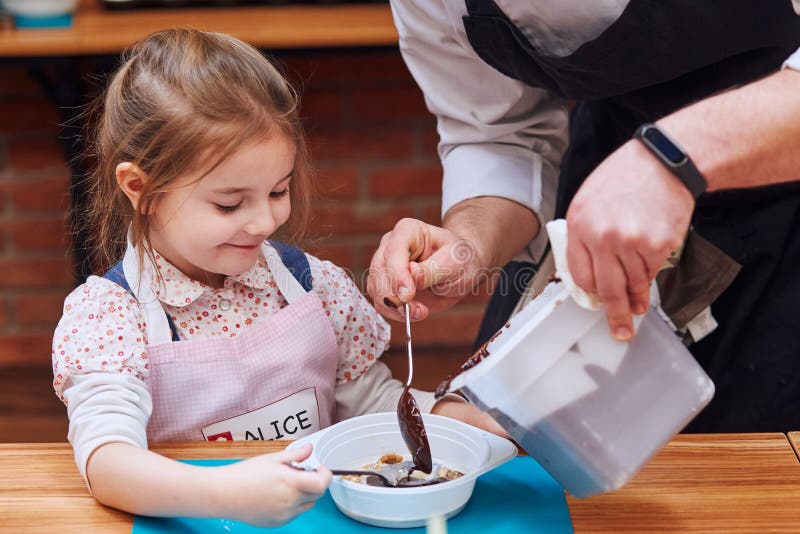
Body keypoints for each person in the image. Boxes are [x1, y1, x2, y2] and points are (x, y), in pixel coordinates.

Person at [51, 29, 500, 528]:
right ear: (142, 188)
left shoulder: (316, 287)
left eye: (278, 191)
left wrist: (462, 420)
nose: (265, 222)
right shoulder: (111, 317)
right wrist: (220, 493)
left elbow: (371, 407)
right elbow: (108, 464)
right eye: (229, 203)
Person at [368, 1, 800, 433]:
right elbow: (502, 137)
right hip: (606, 182)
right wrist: (469, 241)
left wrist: (669, 160)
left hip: (783, 202)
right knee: (524, 446)